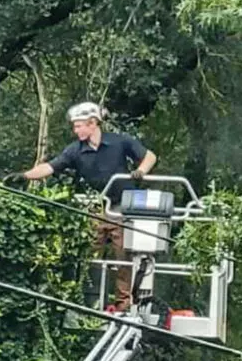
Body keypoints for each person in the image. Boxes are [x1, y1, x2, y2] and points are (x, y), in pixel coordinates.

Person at [17, 102, 157, 309]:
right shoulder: (75, 150)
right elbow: (51, 166)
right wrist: (24, 176)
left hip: (122, 207)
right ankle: (88, 302)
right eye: (75, 126)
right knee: (90, 254)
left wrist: (141, 171)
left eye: (79, 126)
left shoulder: (119, 142)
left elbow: (149, 156)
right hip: (96, 207)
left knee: (123, 256)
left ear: (93, 124)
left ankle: (124, 304)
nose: (76, 130)